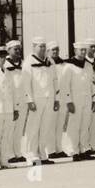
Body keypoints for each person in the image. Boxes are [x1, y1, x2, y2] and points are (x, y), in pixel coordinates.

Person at [25, 36, 56, 165]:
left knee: (45, 127)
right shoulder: (29, 61)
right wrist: (29, 100)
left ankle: (43, 154)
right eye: (40, 46)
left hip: (49, 98)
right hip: (36, 99)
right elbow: (26, 83)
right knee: (33, 128)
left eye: (44, 46)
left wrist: (56, 99)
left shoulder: (50, 61)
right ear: (34, 47)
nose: (43, 49)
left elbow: (55, 80)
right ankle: (31, 155)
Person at [4, 40, 28, 163]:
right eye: (15, 49)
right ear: (8, 50)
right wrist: (12, 105)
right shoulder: (5, 66)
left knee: (19, 129)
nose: (18, 51)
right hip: (11, 102)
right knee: (10, 129)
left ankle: (18, 153)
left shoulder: (24, 64)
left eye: (19, 49)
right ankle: (9, 154)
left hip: (23, 101)